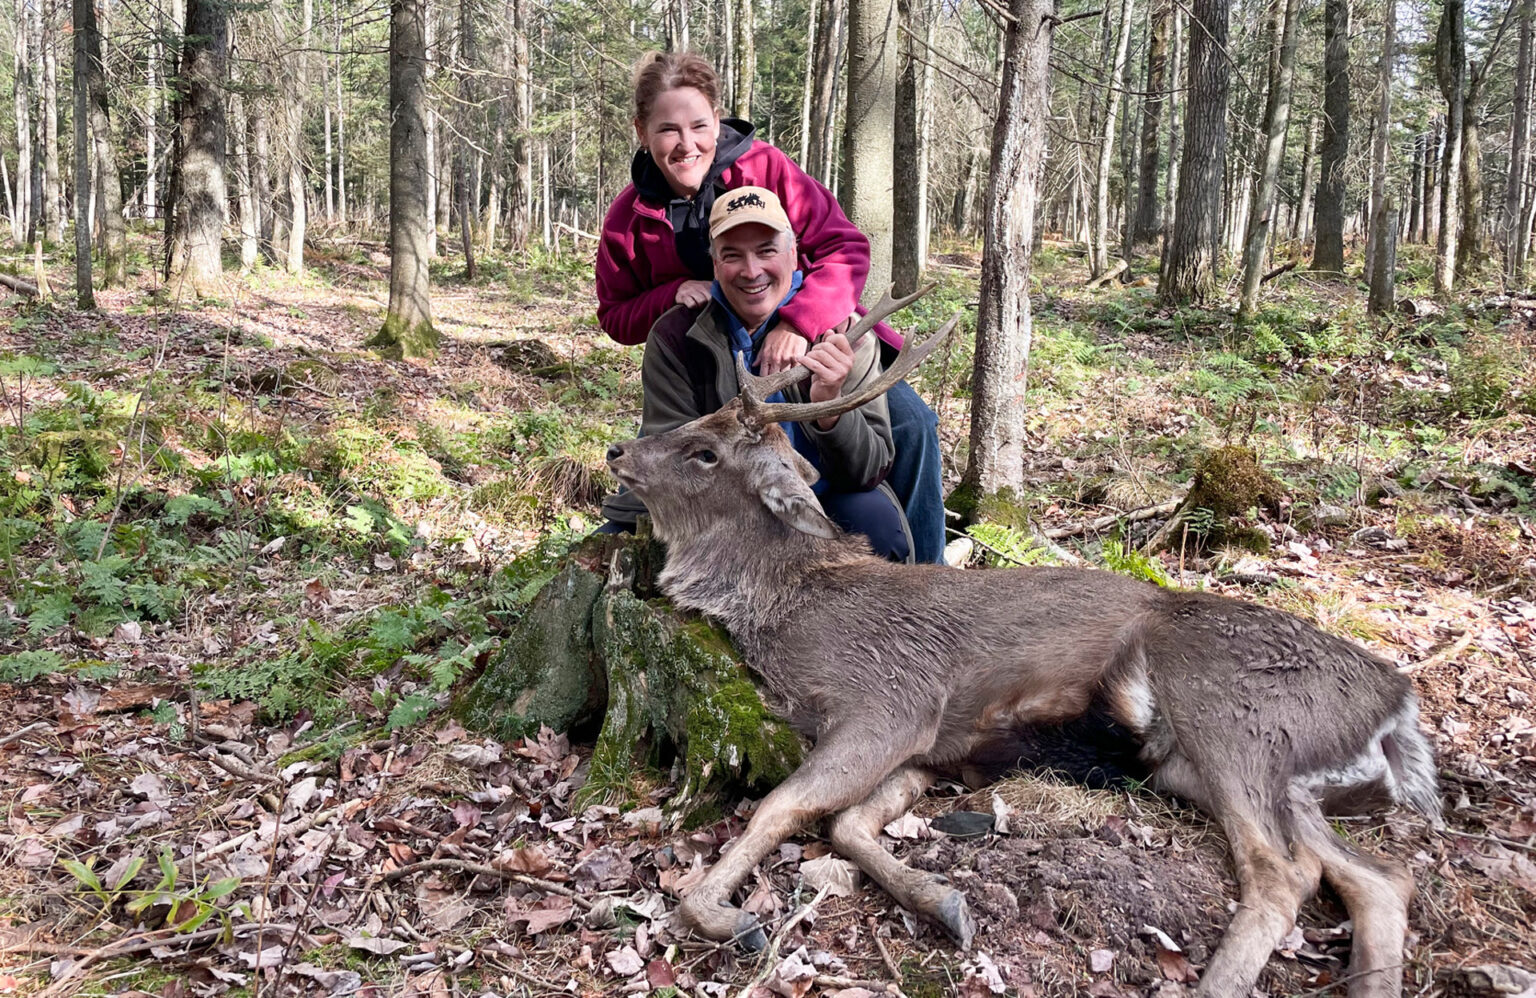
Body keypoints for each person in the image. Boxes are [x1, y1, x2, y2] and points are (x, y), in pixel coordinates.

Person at [596, 51, 945, 563]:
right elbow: (615, 314)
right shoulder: (631, 215)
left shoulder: (764, 167)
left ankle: (926, 573)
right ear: (642, 132)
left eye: (698, 125)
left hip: (811, 336)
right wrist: (667, 295)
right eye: (668, 130)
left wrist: (796, 322)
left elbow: (845, 249)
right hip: (706, 347)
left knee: (912, 426)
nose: (686, 144)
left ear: (717, 120)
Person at [601, 187, 912, 561]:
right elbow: (669, 456)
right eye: (732, 256)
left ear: (794, 254)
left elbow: (868, 470)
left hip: (825, 495)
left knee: (876, 523)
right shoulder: (677, 337)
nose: (752, 272)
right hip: (720, 503)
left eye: (766, 251)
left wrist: (832, 410)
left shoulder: (844, 333)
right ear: (714, 265)